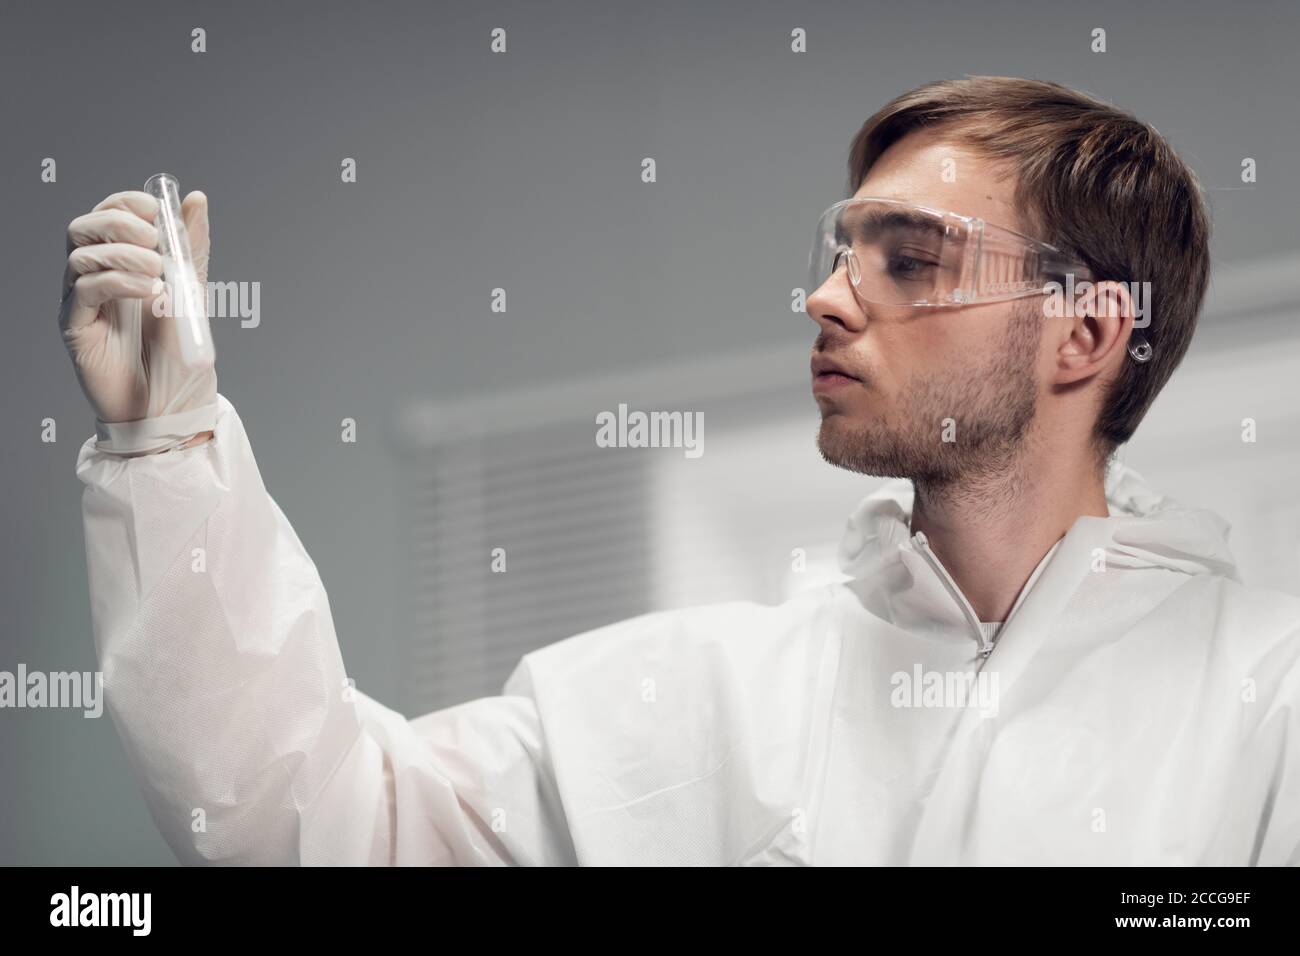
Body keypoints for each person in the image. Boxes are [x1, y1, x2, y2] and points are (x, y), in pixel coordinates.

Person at [62, 77, 1300, 866]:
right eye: (837, 251)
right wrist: (169, 443)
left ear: (1084, 332)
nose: (825, 297)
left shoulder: (1268, 704)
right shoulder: (695, 696)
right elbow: (319, 820)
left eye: (911, 260)